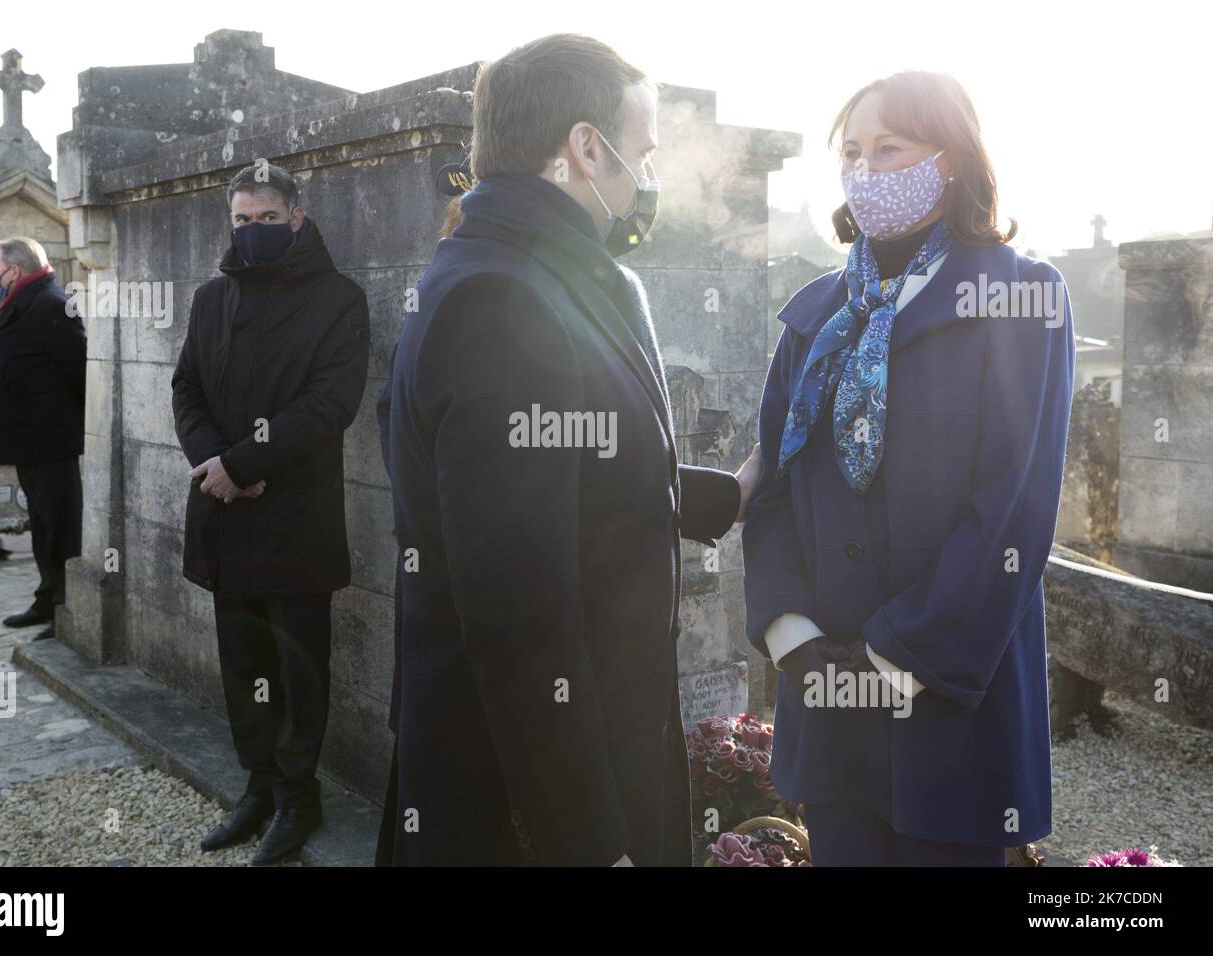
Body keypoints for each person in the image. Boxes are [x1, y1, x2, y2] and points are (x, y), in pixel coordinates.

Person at [376, 34, 761, 867]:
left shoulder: (539, 271)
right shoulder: (500, 301)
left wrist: (729, 494)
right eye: (643, 150)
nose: (647, 174)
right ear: (587, 147)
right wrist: (588, 841)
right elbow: (519, 610)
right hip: (528, 784)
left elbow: (580, 475)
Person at [743, 71, 1075, 865]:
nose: (865, 171)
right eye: (852, 152)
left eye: (889, 149)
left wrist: (895, 657)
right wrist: (796, 639)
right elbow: (775, 489)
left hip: (952, 713)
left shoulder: (1022, 301)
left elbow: (1014, 510)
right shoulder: (815, 314)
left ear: (951, 157)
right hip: (828, 705)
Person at [171, 161, 370, 865]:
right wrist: (212, 463)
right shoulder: (210, 299)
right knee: (242, 664)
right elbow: (187, 387)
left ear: (297, 217)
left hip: (292, 519)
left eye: (267, 219)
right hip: (224, 511)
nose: (254, 232)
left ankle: (297, 797)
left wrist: (243, 465)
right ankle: (257, 787)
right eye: (241, 221)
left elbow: (329, 403)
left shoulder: (339, 300)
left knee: (296, 666)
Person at [0, 237, 86, 642]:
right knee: (42, 524)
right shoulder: (26, 301)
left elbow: (81, 370)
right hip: (27, 441)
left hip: (50, 441)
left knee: (61, 528)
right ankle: (46, 597)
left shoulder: (51, 304)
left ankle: (66, 611)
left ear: (14, 271)